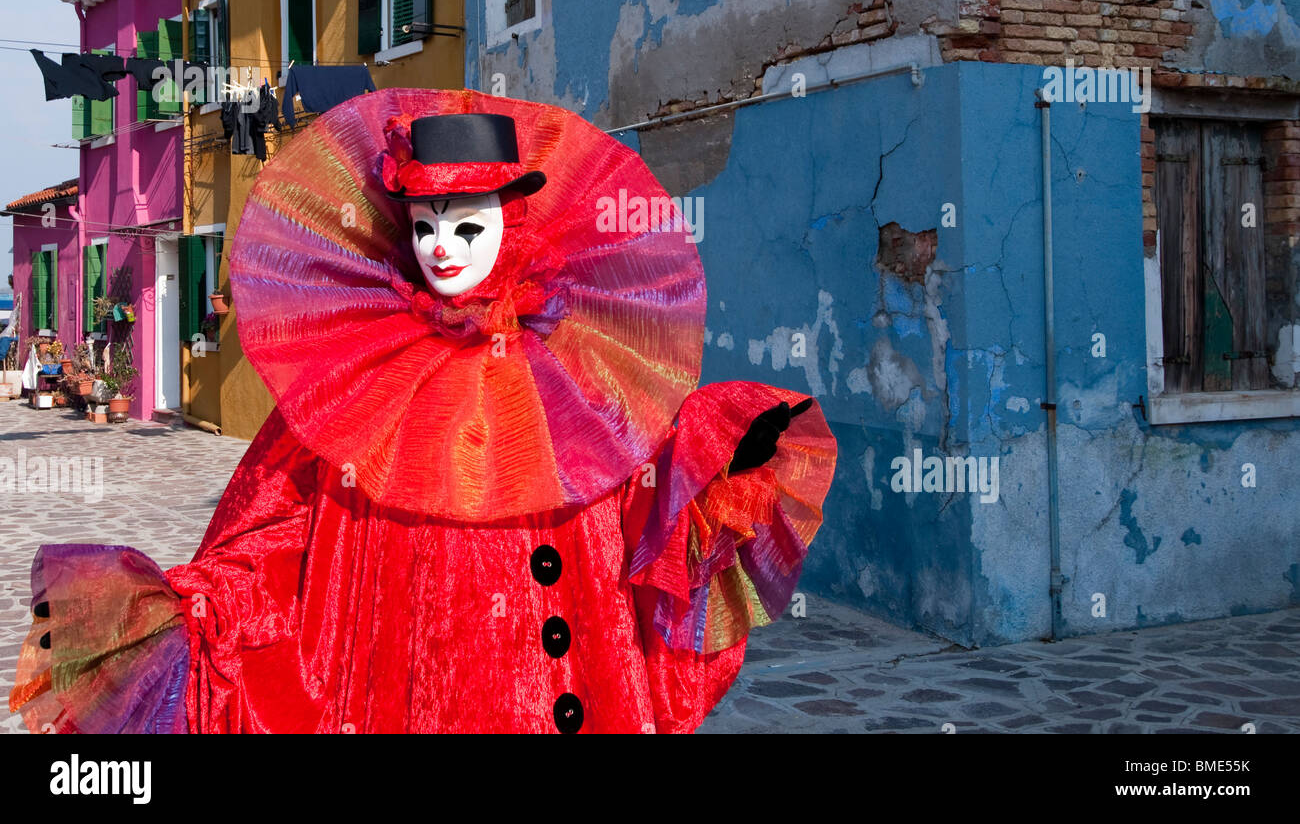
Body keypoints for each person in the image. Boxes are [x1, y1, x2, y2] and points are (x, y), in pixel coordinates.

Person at [10, 89, 836, 733]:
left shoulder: (573, 366)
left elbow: (631, 496)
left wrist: (718, 462)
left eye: (466, 225)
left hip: (554, 675)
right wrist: (198, 608)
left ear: (508, 229)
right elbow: (281, 520)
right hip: (405, 676)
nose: (443, 246)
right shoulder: (361, 371)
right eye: (426, 225)